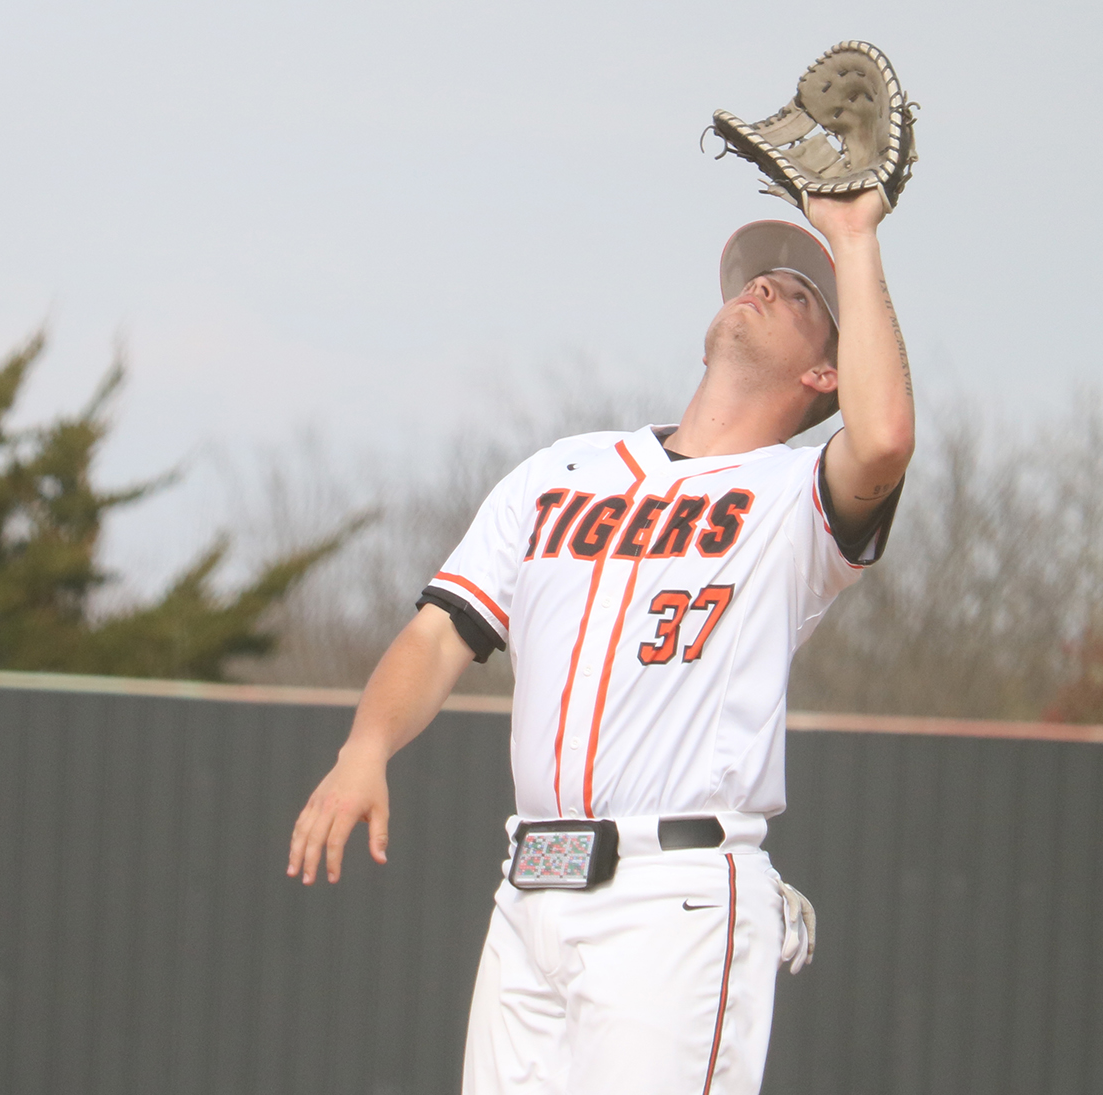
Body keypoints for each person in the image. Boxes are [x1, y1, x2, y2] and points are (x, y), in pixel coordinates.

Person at [286, 190, 914, 1095]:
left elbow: (886, 438)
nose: (767, 290)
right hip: (531, 886)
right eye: (759, 281)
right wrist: (365, 747)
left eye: (798, 296)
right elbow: (438, 634)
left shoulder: (793, 498)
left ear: (825, 376)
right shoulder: (562, 472)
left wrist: (851, 238)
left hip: (675, 896)